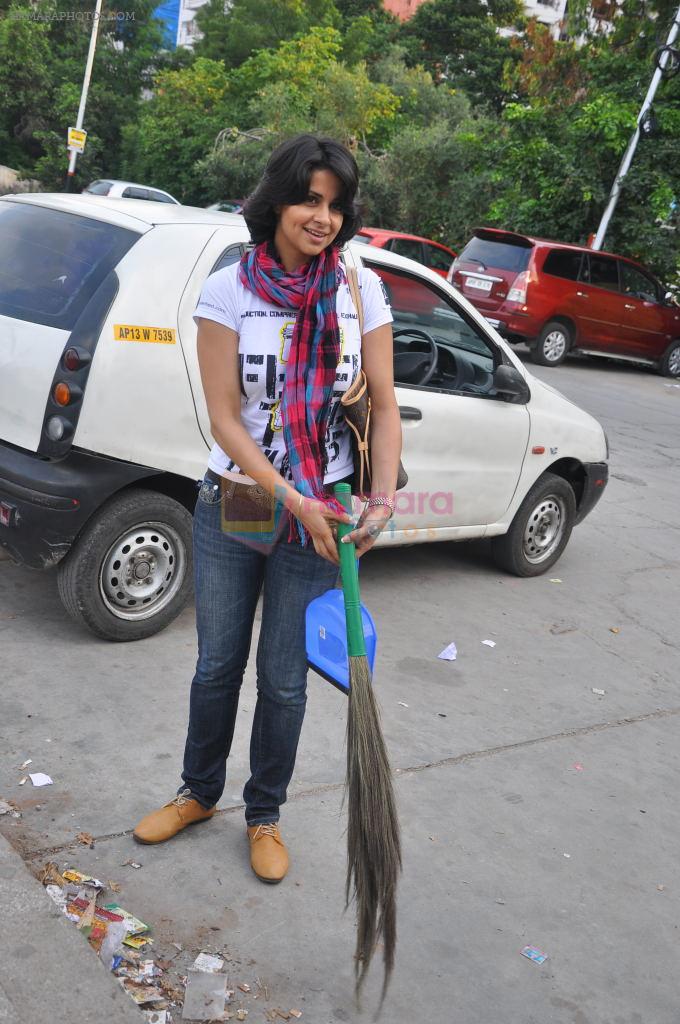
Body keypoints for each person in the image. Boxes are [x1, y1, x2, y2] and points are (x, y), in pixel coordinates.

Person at [133, 134, 402, 883]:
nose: (324, 218)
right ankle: (196, 793)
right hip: (242, 501)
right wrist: (291, 498)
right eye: (310, 200)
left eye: (337, 206)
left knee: (283, 679)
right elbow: (224, 417)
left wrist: (378, 503)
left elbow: (383, 403)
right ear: (276, 201)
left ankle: (264, 814)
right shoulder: (229, 290)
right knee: (217, 664)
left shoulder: (359, 290)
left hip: (327, 514)